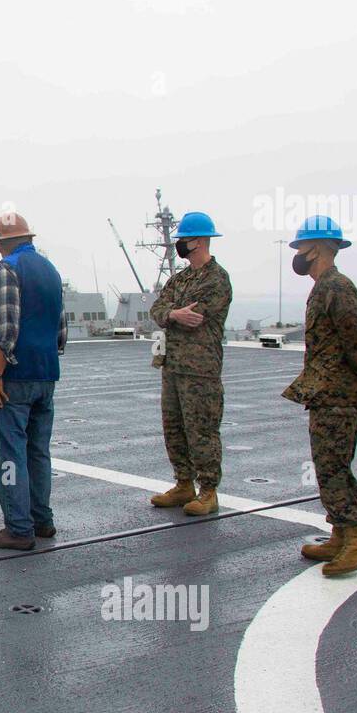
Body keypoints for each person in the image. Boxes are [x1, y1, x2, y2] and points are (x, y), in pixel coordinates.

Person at [282, 216, 357, 576]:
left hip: (339, 394)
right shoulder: (325, 286)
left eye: (300, 247)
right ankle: (341, 535)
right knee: (329, 465)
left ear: (317, 248)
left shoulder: (337, 288)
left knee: (332, 466)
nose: (297, 254)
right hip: (328, 392)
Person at [0, 213, 67, 551]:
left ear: (3, 242)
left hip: (15, 377)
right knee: (38, 451)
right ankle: (42, 520)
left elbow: (7, 328)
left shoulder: (7, 269)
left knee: (10, 453)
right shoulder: (51, 270)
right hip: (47, 373)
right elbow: (60, 329)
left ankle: (18, 528)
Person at [148, 211, 233, 516]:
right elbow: (157, 309)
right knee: (173, 427)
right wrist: (173, 313)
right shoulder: (179, 279)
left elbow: (197, 316)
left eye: (184, 239)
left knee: (202, 429)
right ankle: (184, 483)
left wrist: (176, 313)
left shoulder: (217, 279)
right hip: (172, 365)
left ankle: (208, 491)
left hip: (200, 369)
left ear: (198, 241)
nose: (180, 244)